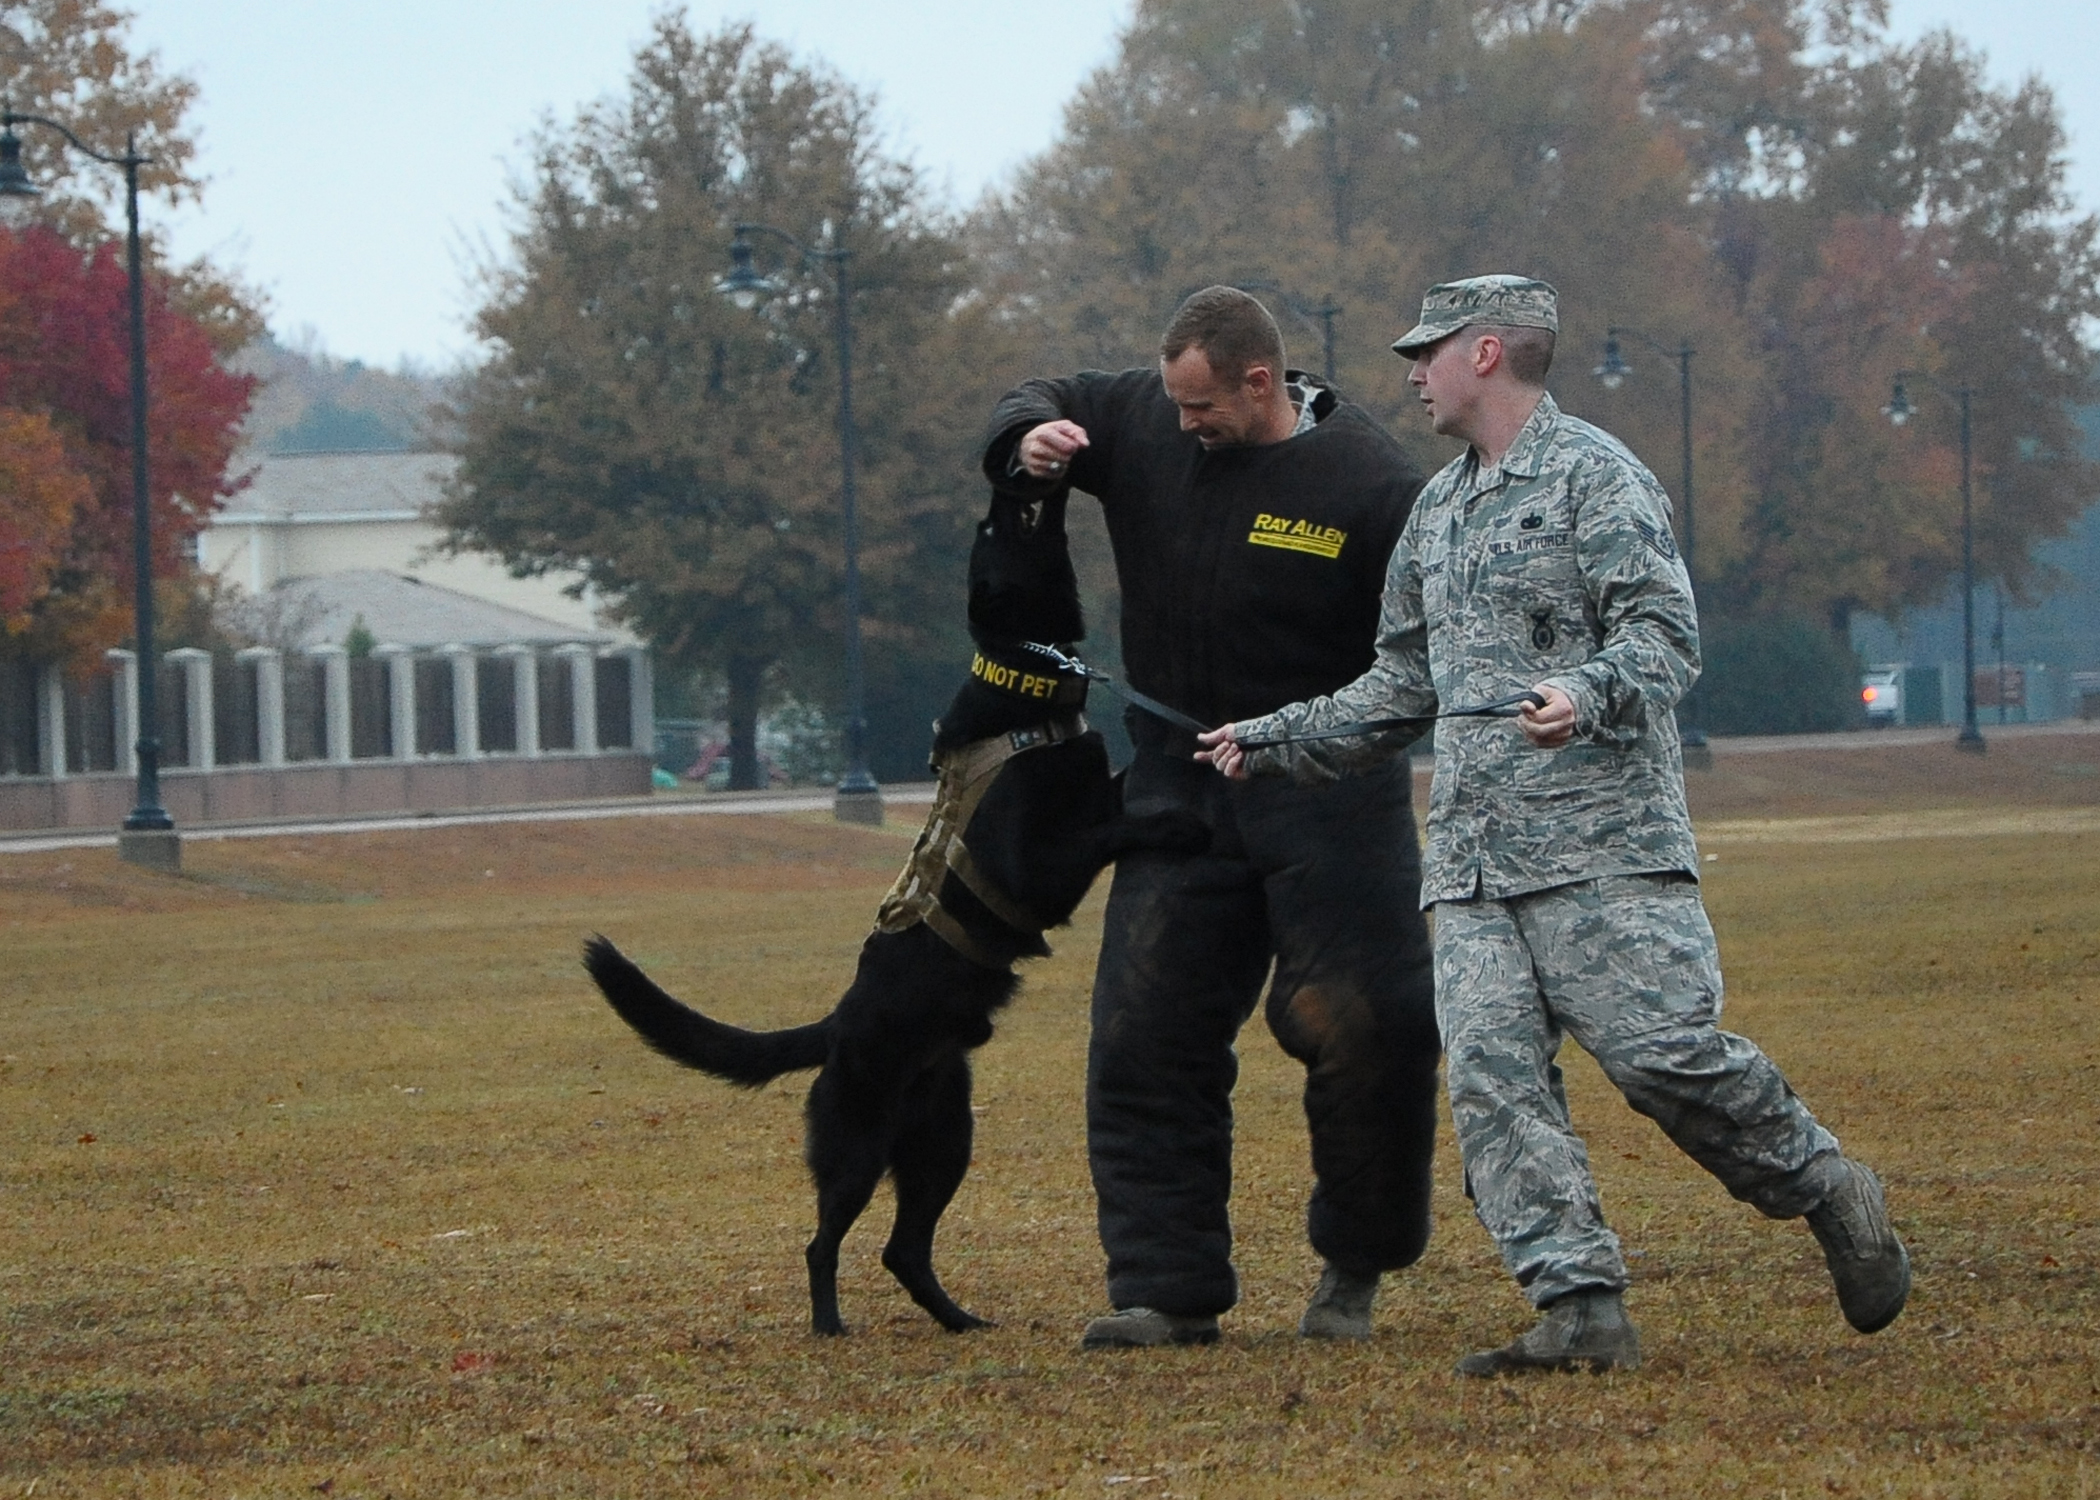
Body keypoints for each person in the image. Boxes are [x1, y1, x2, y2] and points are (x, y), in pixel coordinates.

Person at [1199, 275, 1910, 1375]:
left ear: (1487, 353)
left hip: (1602, 853)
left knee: (1665, 1062)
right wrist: (1275, 733)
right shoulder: (1436, 511)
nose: (1411, 372)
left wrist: (1584, 692)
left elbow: (1666, 638)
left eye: (1427, 351)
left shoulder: (1599, 479)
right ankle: (1579, 1306)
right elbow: (1400, 682)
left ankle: (1825, 1186)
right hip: (1477, 867)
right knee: (1491, 1080)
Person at [982, 286, 1442, 1348]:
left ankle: (1352, 1271)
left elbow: (1418, 660)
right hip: (1177, 785)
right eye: (1172, 405)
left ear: (1259, 381)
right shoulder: (1146, 414)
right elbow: (1045, 392)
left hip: (1326, 789)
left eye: (1202, 409)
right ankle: (1163, 1288)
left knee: (1364, 1024)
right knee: (1144, 1036)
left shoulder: (1371, 487)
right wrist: (1030, 435)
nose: (1182, 428)